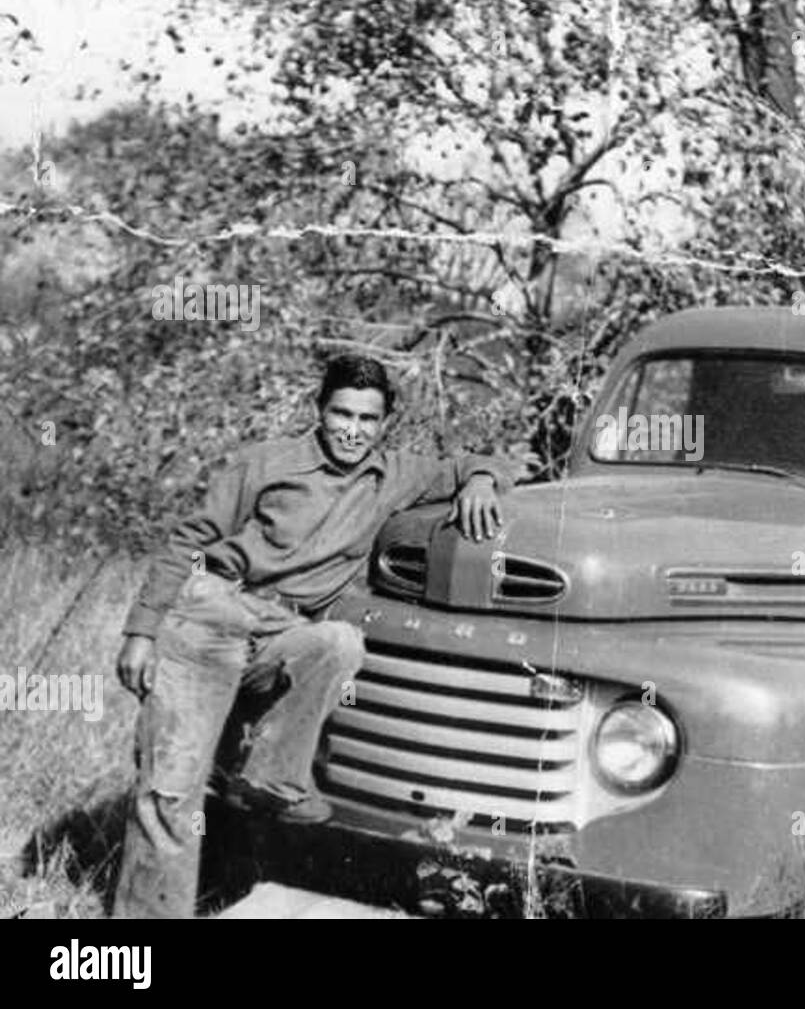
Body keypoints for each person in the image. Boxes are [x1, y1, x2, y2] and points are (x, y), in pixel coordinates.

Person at [111, 354, 512, 919]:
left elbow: (482, 460)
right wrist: (142, 630)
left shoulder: (396, 474)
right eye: (341, 414)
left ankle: (270, 780)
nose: (352, 430)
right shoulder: (266, 462)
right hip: (210, 615)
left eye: (367, 419)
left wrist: (482, 482)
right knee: (169, 790)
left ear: (385, 423)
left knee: (338, 643)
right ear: (319, 411)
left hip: (284, 628)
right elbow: (190, 541)